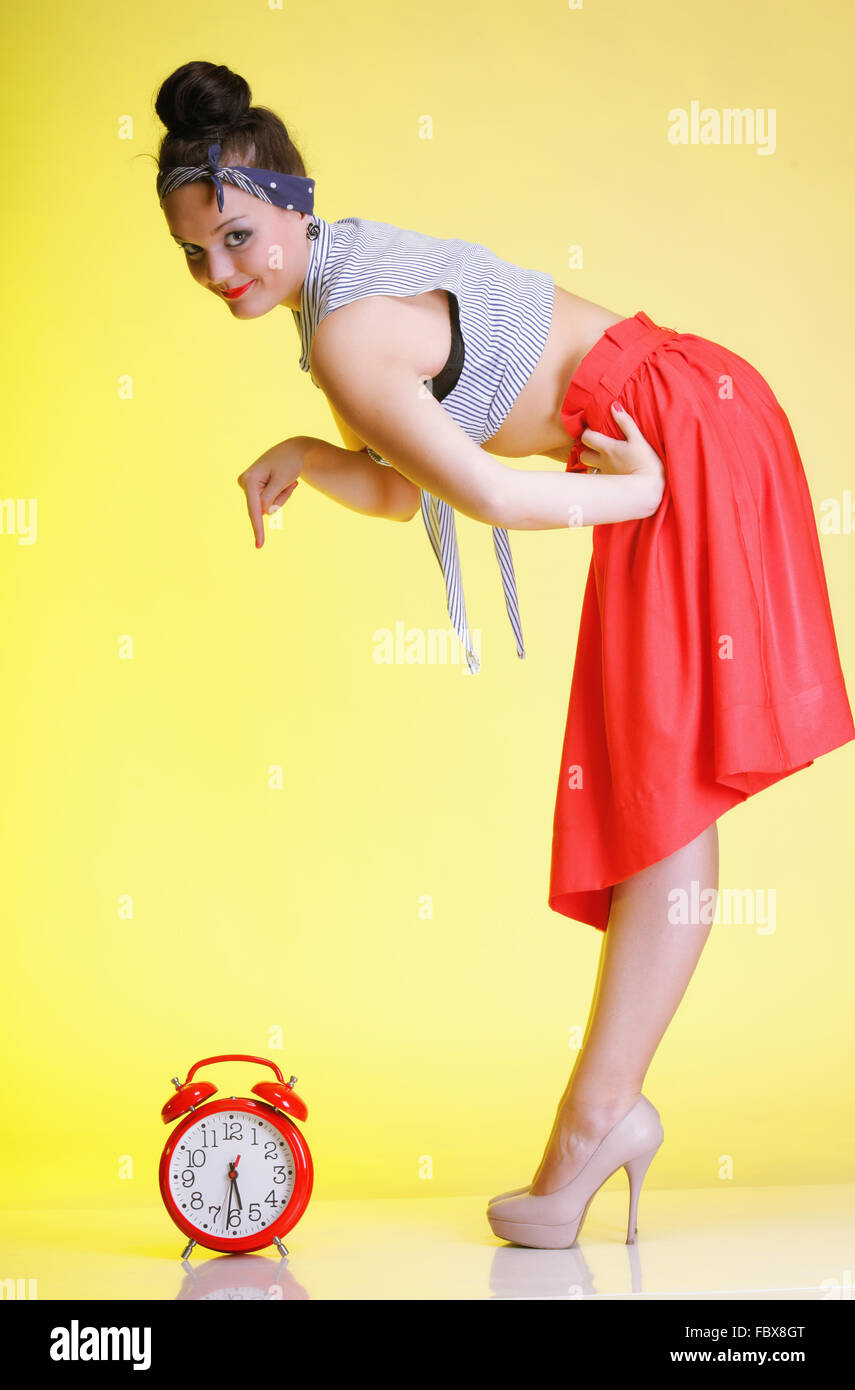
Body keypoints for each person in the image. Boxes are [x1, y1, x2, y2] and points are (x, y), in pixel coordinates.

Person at [152, 60, 855, 1250]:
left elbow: (481, 493)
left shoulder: (345, 337)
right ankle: (597, 1127)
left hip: (666, 435)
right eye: (196, 257)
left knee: (668, 803)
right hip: (689, 399)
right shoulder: (351, 278)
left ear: (292, 199)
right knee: (662, 797)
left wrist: (638, 496)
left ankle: (592, 1133)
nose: (224, 274)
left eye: (237, 236)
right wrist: (311, 458)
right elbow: (416, 470)